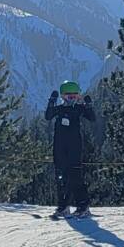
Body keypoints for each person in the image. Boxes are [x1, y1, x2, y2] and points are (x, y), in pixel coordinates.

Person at [44, 81, 99, 217]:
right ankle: (63, 206)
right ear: (63, 97)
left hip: (75, 148)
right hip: (59, 148)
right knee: (61, 177)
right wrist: (51, 102)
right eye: (69, 96)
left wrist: (89, 105)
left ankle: (83, 206)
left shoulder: (79, 108)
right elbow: (48, 116)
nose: (72, 99)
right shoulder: (60, 109)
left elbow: (92, 118)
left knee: (75, 177)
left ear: (78, 96)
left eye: (75, 96)